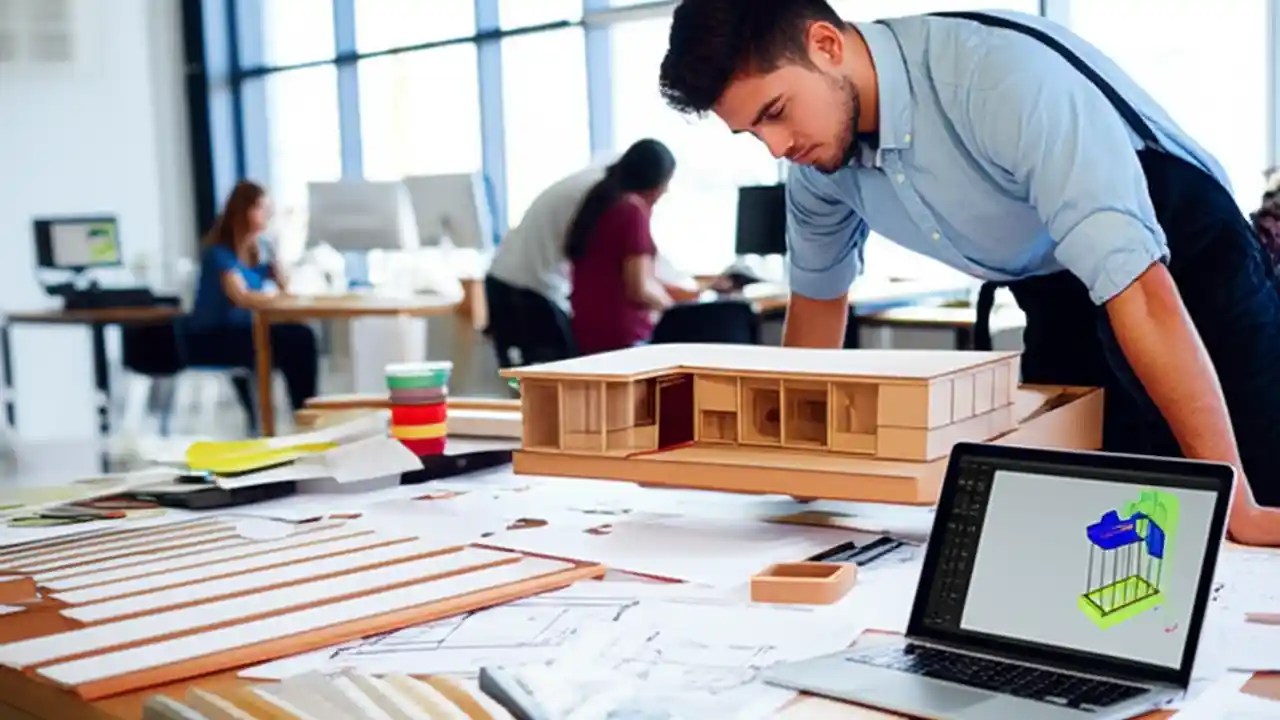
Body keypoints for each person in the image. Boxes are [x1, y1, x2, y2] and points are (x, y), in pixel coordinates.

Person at [658, 1, 1280, 545]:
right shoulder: (818, 166)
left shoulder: (997, 82)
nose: (775, 146)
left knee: (1244, 497)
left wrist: (1241, 502)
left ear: (826, 44)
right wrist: (796, 465)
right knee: (1089, 501)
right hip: (1052, 282)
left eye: (777, 111)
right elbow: (818, 306)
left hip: (1182, 256)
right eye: (752, 132)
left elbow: (1141, 296)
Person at [484, 140, 698, 364]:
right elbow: (639, 279)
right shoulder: (623, 205)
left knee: (539, 387)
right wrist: (677, 307)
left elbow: (633, 260)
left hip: (511, 279)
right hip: (531, 289)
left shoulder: (602, 191)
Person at [186, 180, 318, 416]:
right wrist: (272, 300)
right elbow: (241, 297)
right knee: (297, 339)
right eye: (261, 208)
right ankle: (302, 413)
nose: (267, 215)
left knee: (300, 335)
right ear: (242, 210)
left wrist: (276, 254)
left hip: (246, 332)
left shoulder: (258, 252)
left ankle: (305, 412)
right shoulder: (219, 252)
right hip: (214, 338)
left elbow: (284, 286)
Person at [566, 139, 679, 355]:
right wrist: (673, 309)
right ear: (656, 182)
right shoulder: (632, 211)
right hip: (621, 338)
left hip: (587, 333)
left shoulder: (601, 202)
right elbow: (639, 288)